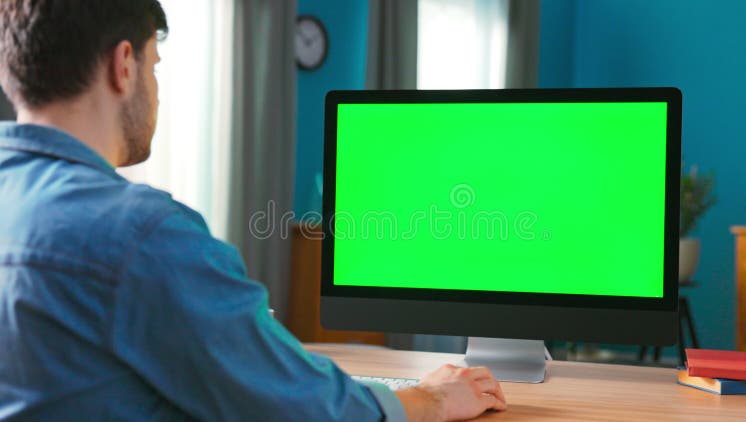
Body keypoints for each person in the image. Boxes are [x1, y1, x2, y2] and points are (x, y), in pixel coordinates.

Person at [0, 1, 507, 420]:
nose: (155, 89)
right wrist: (424, 399)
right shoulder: (140, 233)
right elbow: (300, 409)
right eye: (155, 66)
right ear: (124, 64)